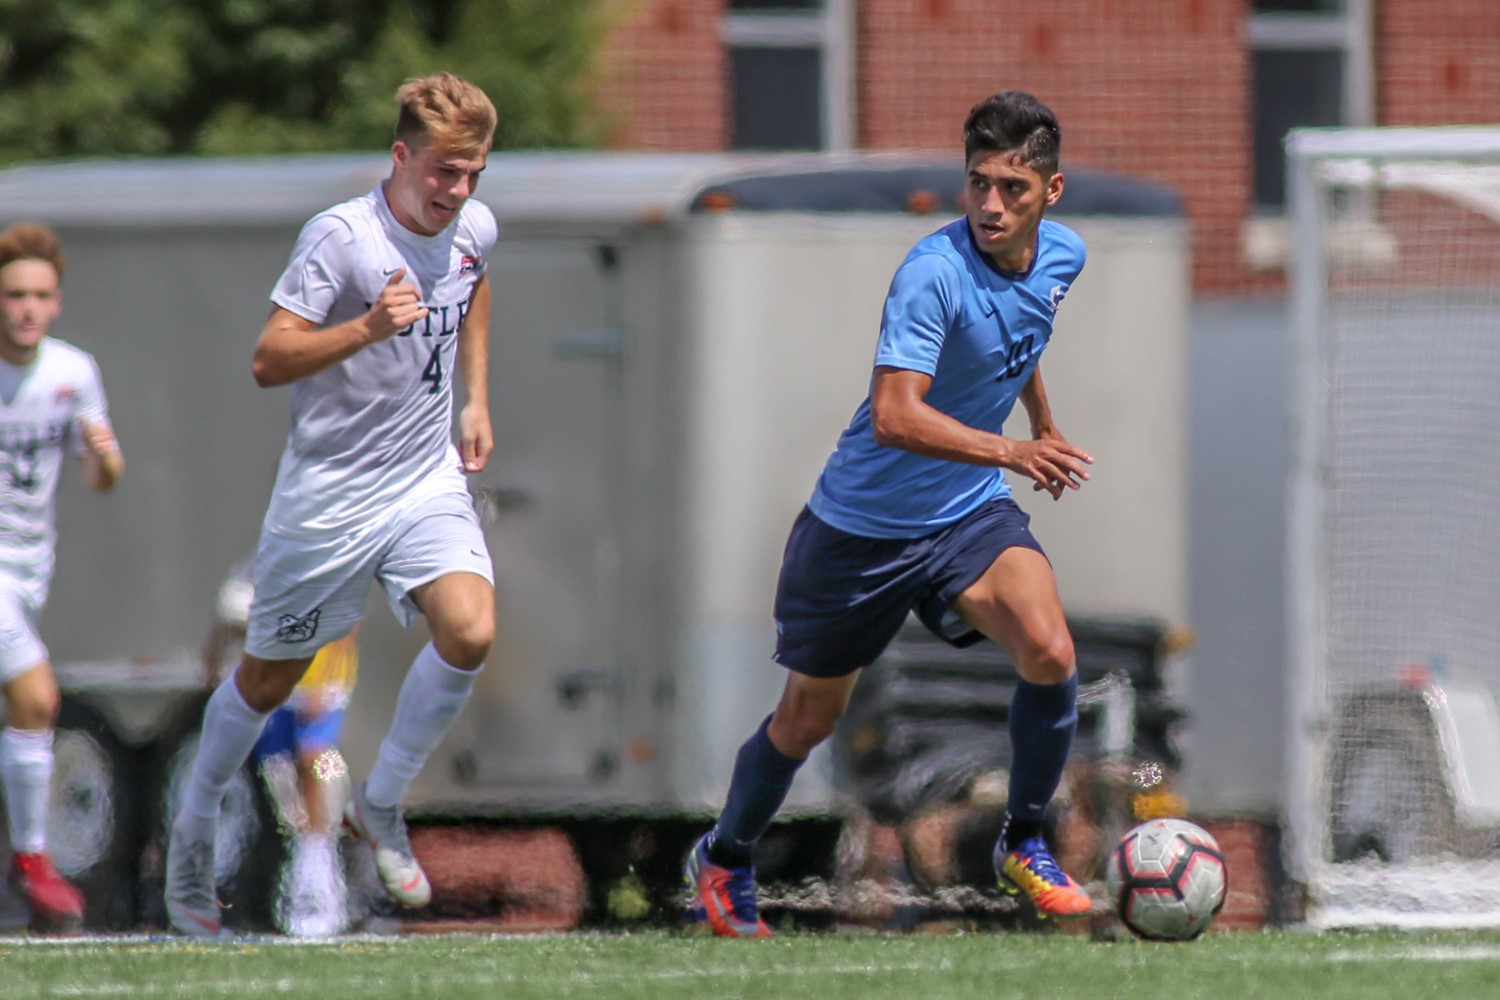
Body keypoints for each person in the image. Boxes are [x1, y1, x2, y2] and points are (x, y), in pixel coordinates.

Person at [684, 91, 1096, 937]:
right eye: (978, 183)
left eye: (1012, 189)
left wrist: (1042, 420)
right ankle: (725, 855)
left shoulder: (1064, 256)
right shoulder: (931, 272)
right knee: (808, 719)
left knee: (1051, 649)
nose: (990, 205)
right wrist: (1016, 451)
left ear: (1049, 195)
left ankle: (1025, 838)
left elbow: (1023, 336)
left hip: (964, 514)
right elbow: (894, 416)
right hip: (859, 531)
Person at [165, 71, 499, 938]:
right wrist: (365, 328)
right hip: (330, 494)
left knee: (470, 629)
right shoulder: (342, 239)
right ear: (401, 156)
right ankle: (193, 825)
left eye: (472, 175)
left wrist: (475, 399)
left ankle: (381, 801)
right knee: (269, 680)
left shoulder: (472, 227)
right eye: (443, 173)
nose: (457, 192)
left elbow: (474, 288)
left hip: (423, 479)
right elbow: (268, 359)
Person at [0, 222, 125, 933]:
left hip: (29, 569)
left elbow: (103, 474)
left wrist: (105, 457)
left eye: (39, 295)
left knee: (21, 713)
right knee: (38, 696)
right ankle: (34, 863)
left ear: (57, 303)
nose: (25, 308)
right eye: (14, 294)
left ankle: (21, 867)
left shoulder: (72, 372)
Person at [204, 560, 360, 937]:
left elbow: (345, 627)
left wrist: (321, 686)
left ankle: (323, 875)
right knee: (278, 778)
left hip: (322, 683)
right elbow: (227, 627)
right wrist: (213, 667)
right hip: (282, 689)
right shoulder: (260, 567)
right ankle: (300, 872)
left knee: (314, 760)